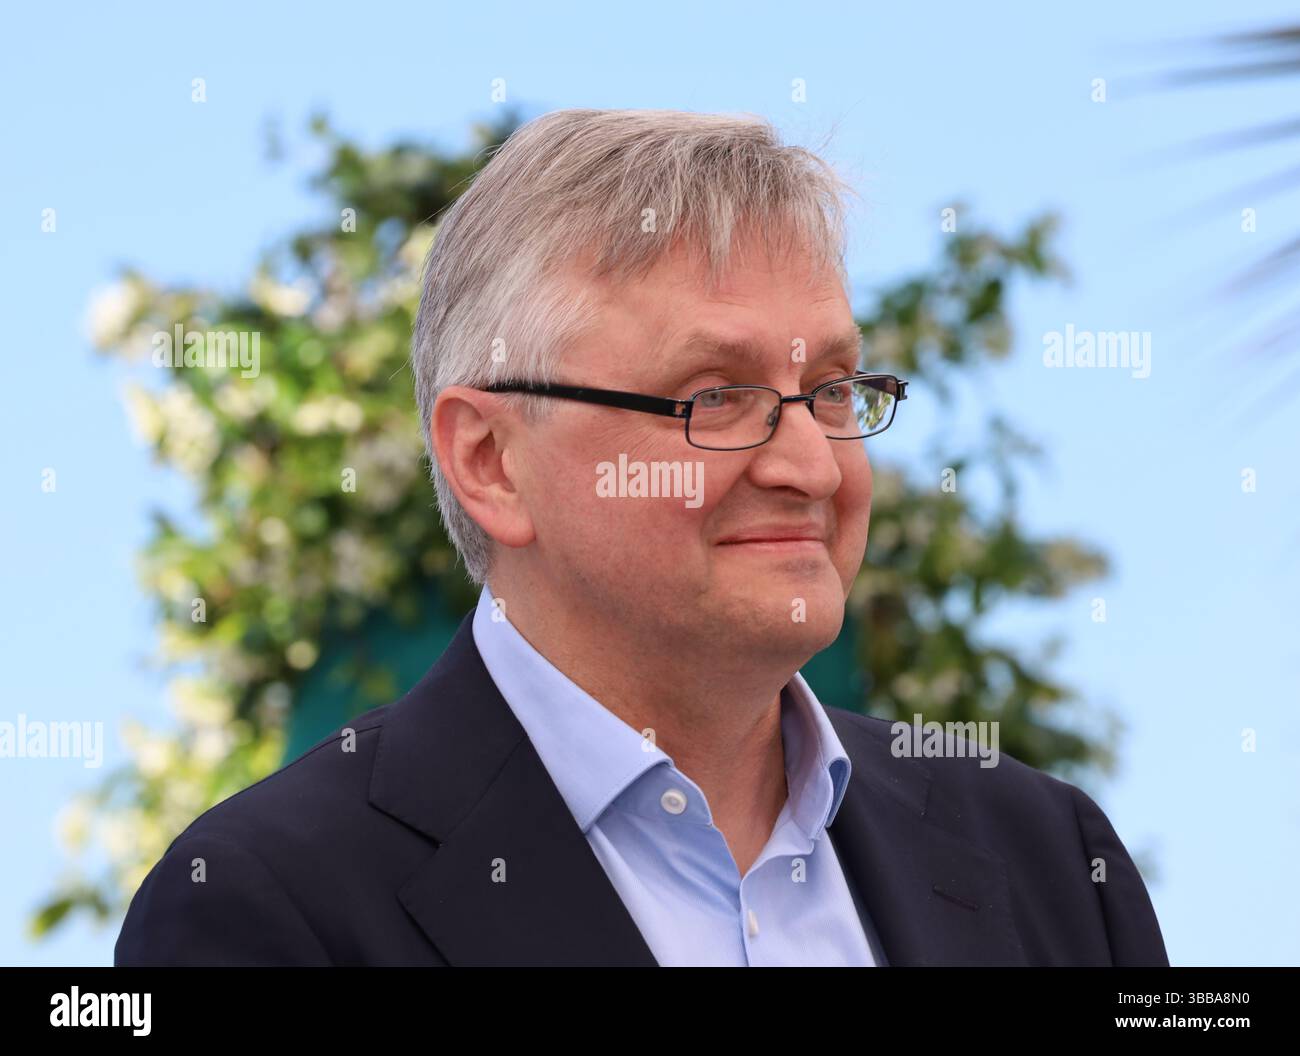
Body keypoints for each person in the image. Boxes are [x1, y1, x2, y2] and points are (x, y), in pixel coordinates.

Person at [115, 109, 1168, 966]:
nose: (811, 466)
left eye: (833, 389)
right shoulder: (269, 908)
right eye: (715, 397)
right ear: (490, 460)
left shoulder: (1047, 862)